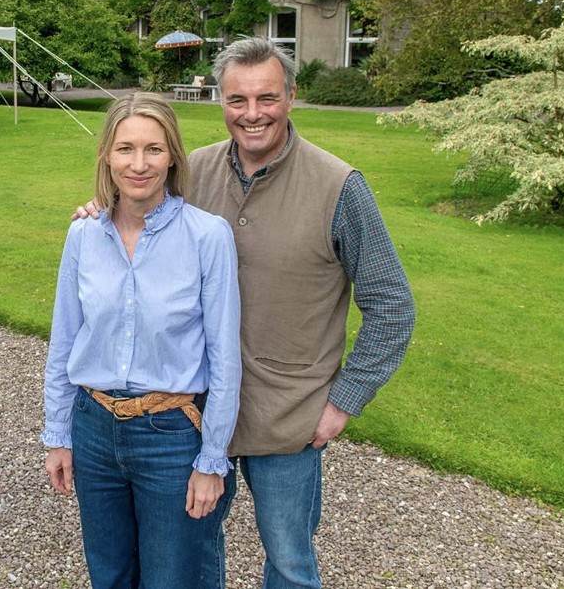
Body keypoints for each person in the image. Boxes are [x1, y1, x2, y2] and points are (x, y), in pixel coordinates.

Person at [77, 39, 415, 588]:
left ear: (292, 97)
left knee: (288, 560)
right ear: (220, 101)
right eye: (237, 99)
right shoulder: (195, 171)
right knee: (195, 549)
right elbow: (139, 209)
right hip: (193, 412)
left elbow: (393, 306)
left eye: (267, 97)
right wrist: (101, 212)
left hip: (288, 415)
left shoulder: (338, 186)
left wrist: (343, 402)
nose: (252, 113)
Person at [42, 92, 242, 589]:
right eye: (125, 149)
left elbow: (224, 356)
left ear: (173, 155)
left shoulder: (207, 236)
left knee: (171, 579)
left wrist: (212, 460)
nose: (138, 164)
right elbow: (64, 340)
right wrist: (57, 434)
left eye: (153, 149)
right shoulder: (83, 235)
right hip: (93, 426)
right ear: (106, 156)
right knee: (109, 575)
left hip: (171, 434)